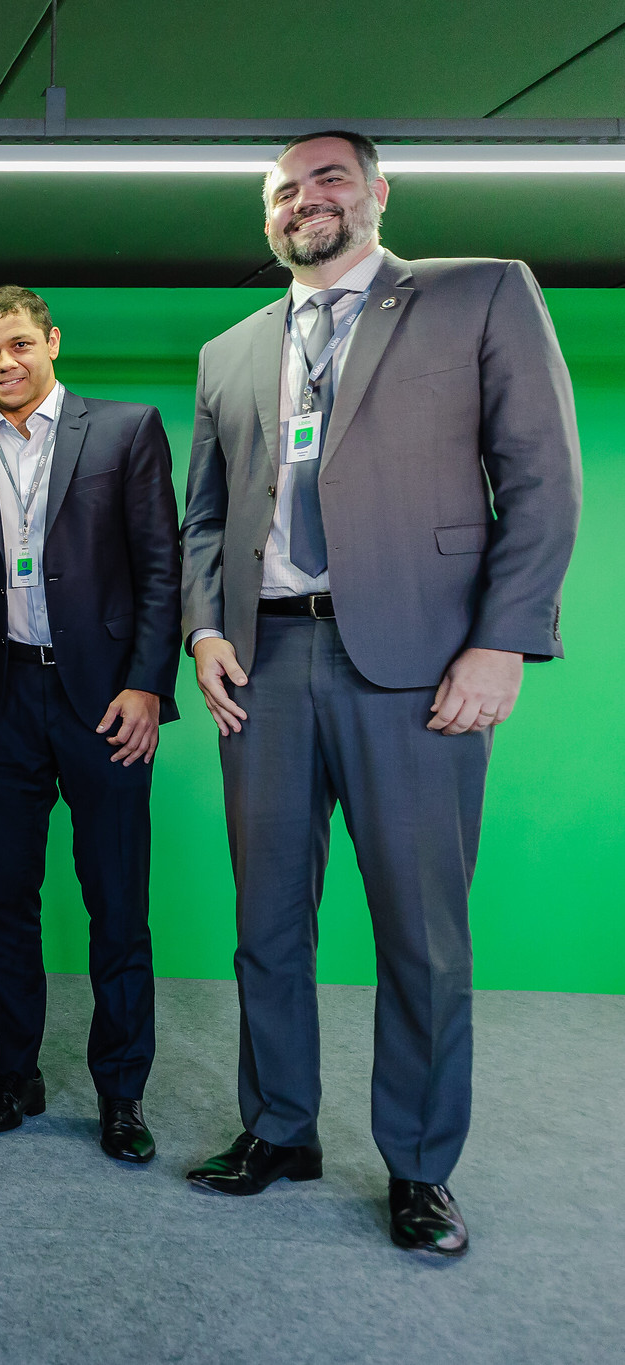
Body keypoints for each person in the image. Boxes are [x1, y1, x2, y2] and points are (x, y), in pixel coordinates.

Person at [180, 131, 581, 1256]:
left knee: (420, 933)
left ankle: (417, 1167)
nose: (303, 201)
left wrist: (503, 642)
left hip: (417, 668)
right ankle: (278, 1129)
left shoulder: (478, 297)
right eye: (282, 190)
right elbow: (204, 516)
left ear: (375, 193)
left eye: (326, 180)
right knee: (267, 924)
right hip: (266, 666)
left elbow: (542, 480)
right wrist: (205, 626)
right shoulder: (230, 350)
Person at [0, 287, 182, 1164]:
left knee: (116, 905)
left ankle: (121, 1093)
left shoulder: (124, 429)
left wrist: (148, 686)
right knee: (6, 904)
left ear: (51, 342)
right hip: (1, 707)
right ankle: (15, 1075)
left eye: (17, 345)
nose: (2, 364)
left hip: (106, 703)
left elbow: (160, 566)